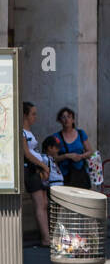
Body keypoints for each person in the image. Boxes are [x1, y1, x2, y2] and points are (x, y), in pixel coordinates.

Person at [21, 102, 52, 247]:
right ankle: (45, 238)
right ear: (25, 115)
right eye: (33, 114)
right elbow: (27, 153)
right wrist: (43, 166)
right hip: (31, 169)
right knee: (40, 204)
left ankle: (46, 234)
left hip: (37, 169)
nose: (35, 117)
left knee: (44, 203)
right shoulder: (21, 132)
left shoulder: (29, 132)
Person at [51, 107, 93, 190]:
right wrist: (67, 156)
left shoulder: (81, 133)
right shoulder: (56, 137)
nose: (66, 120)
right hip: (65, 175)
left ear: (73, 120)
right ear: (59, 120)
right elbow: (53, 158)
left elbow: (90, 151)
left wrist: (80, 156)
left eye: (69, 117)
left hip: (80, 173)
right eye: (63, 117)